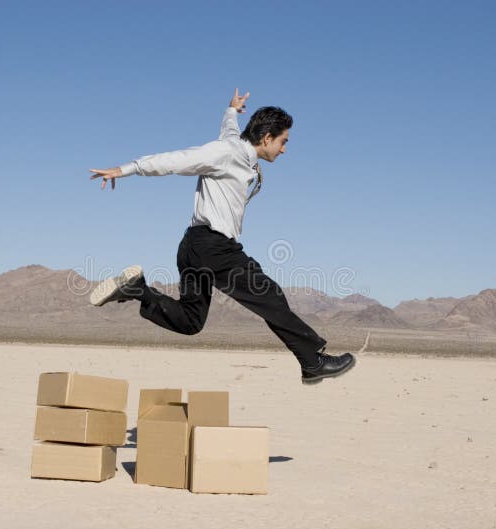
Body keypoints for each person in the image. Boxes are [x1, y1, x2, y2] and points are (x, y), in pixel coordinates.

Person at [89, 89, 355, 385]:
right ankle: (313, 361)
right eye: (283, 142)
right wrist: (126, 169)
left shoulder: (235, 145)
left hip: (193, 246)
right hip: (215, 247)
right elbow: (177, 160)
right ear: (267, 138)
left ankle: (138, 290)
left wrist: (230, 110)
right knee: (270, 296)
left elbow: (230, 131)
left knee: (191, 321)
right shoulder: (225, 153)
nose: (284, 150)